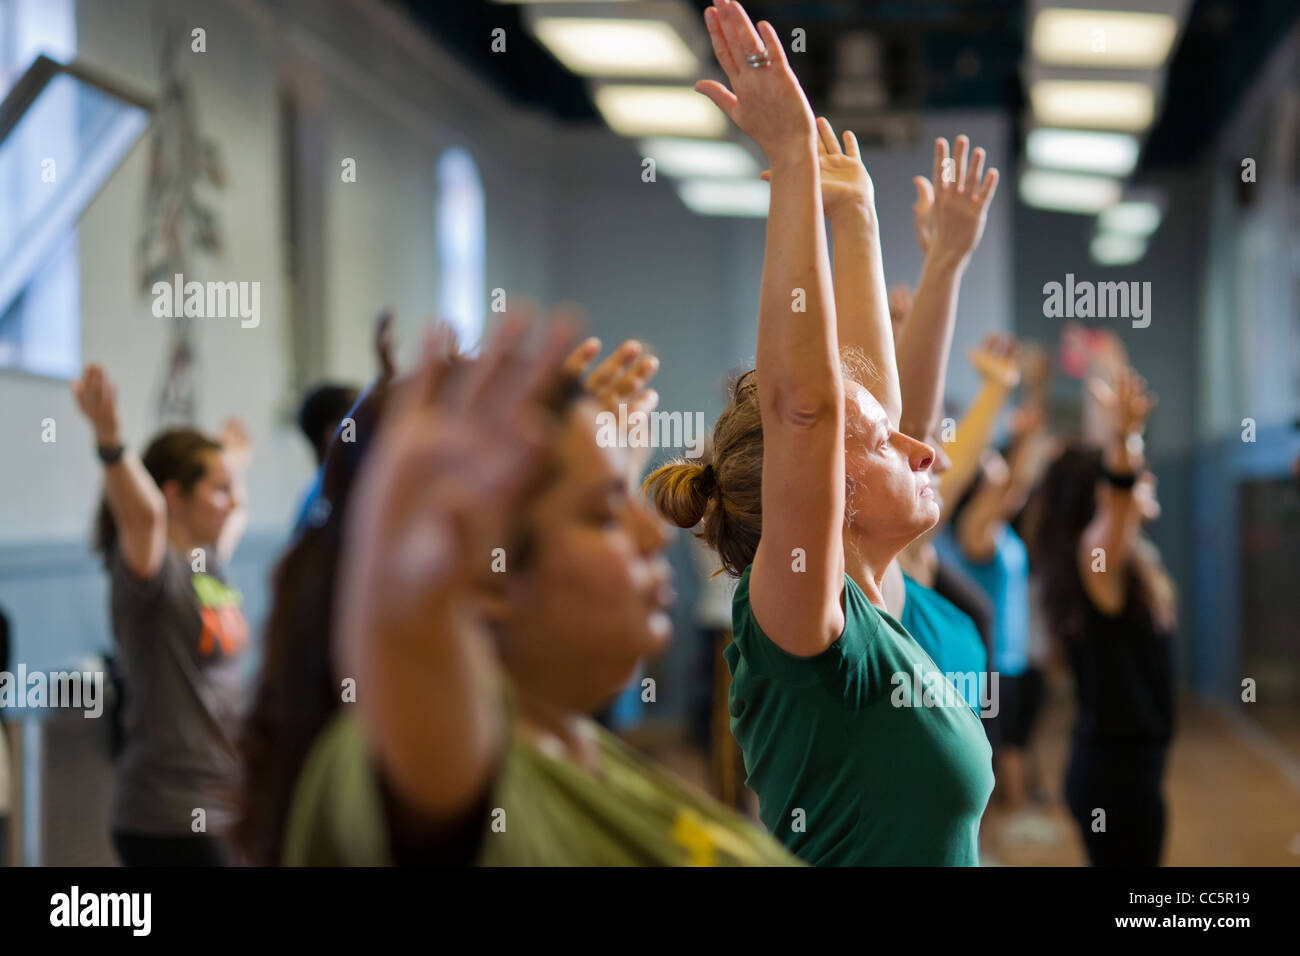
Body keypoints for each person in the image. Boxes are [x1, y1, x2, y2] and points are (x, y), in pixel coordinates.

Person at [236, 312, 800, 866]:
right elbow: (424, 677)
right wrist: (408, 597)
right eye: (606, 513)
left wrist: (592, 459)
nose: (654, 534)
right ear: (480, 575)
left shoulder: (566, 746)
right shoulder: (462, 776)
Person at [648, 0, 992, 866]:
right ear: (825, 493)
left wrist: (862, 223)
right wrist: (793, 163)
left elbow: (862, 404)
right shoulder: (803, 622)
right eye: (883, 446)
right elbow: (809, 409)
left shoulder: (878, 606)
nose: (925, 445)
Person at [72, 364, 253, 866]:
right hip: (170, 816)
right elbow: (145, 514)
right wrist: (111, 443)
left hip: (225, 805)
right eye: (217, 490)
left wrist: (232, 463)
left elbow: (235, 513)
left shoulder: (207, 564)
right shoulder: (151, 576)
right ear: (174, 495)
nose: (232, 501)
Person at [1033, 369, 1176, 866]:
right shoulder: (1097, 562)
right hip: (1114, 780)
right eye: (1138, 474)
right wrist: (1123, 436)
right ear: (1102, 499)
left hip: (1131, 771)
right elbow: (1117, 494)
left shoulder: (1129, 563)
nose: (1147, 478)